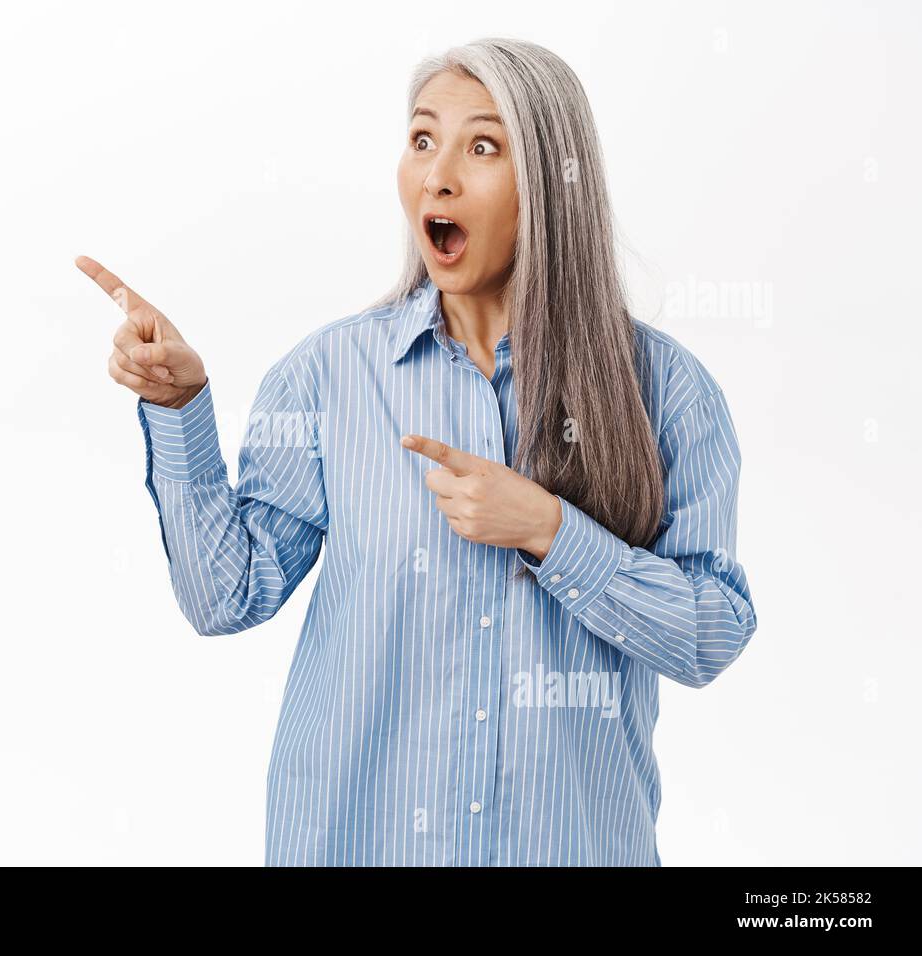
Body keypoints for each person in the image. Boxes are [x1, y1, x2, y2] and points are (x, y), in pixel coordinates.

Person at [77, 36, 758, 866]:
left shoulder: (668, 392)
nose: (438, 175)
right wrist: (178, 407)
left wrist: (549, 528)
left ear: (549, 184)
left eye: (482, 147)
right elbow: (227, 595)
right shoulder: (330, 376)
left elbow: (711, 635)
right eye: (422, 139)